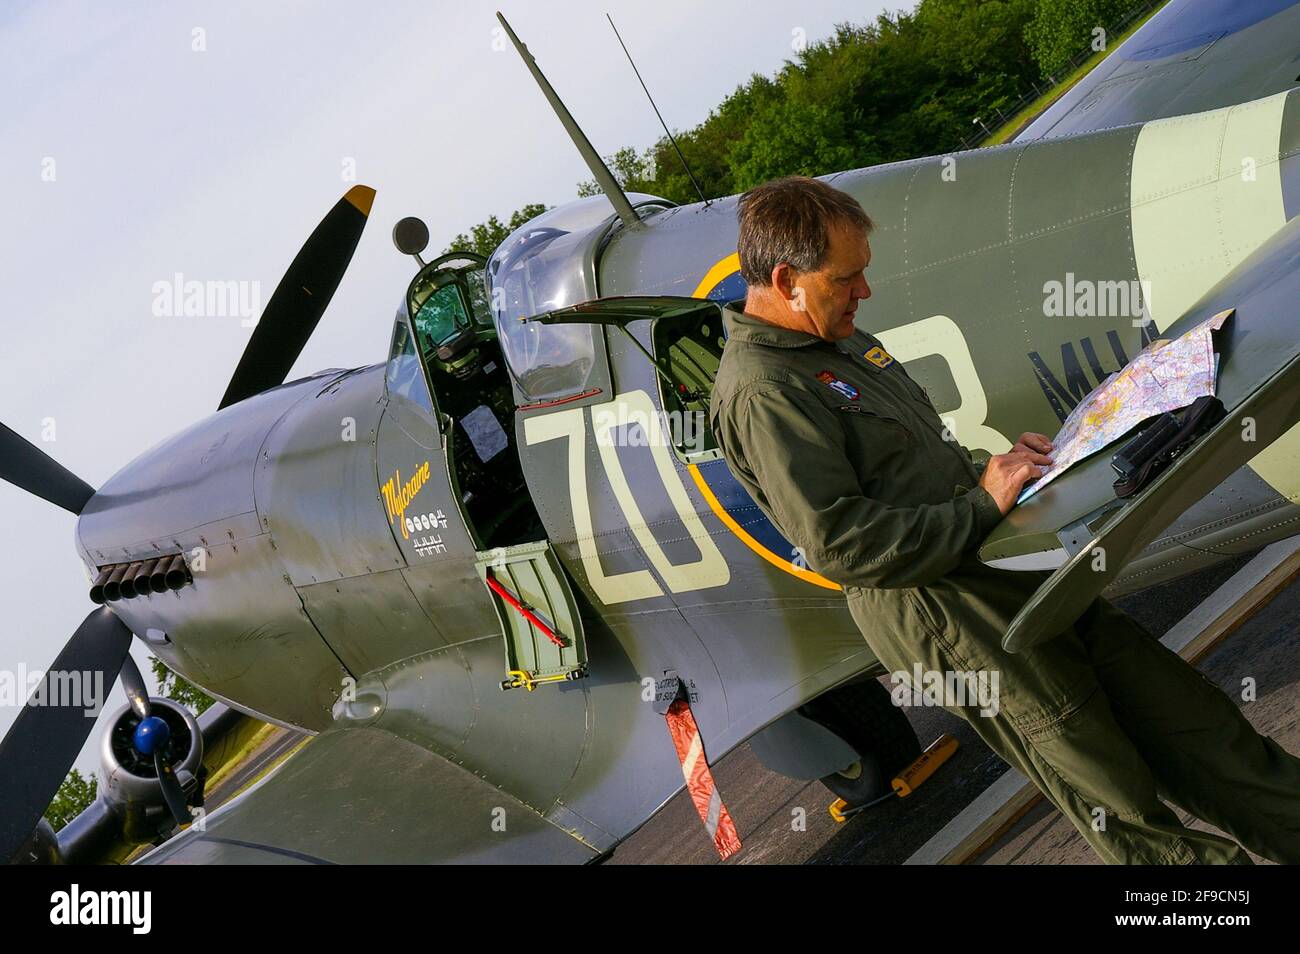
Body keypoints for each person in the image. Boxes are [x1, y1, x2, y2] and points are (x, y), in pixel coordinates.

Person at [709, 174, 1300, 864]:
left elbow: (914, 460)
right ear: (786, 280)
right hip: (950, 617)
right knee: (1120, 805)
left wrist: (1000, 471)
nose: (863, 293)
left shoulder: (836, 339)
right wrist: (981, 503)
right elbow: (844, 543)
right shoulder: (763, 391)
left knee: (1199, 730)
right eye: (847, 279)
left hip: (1001, 561)